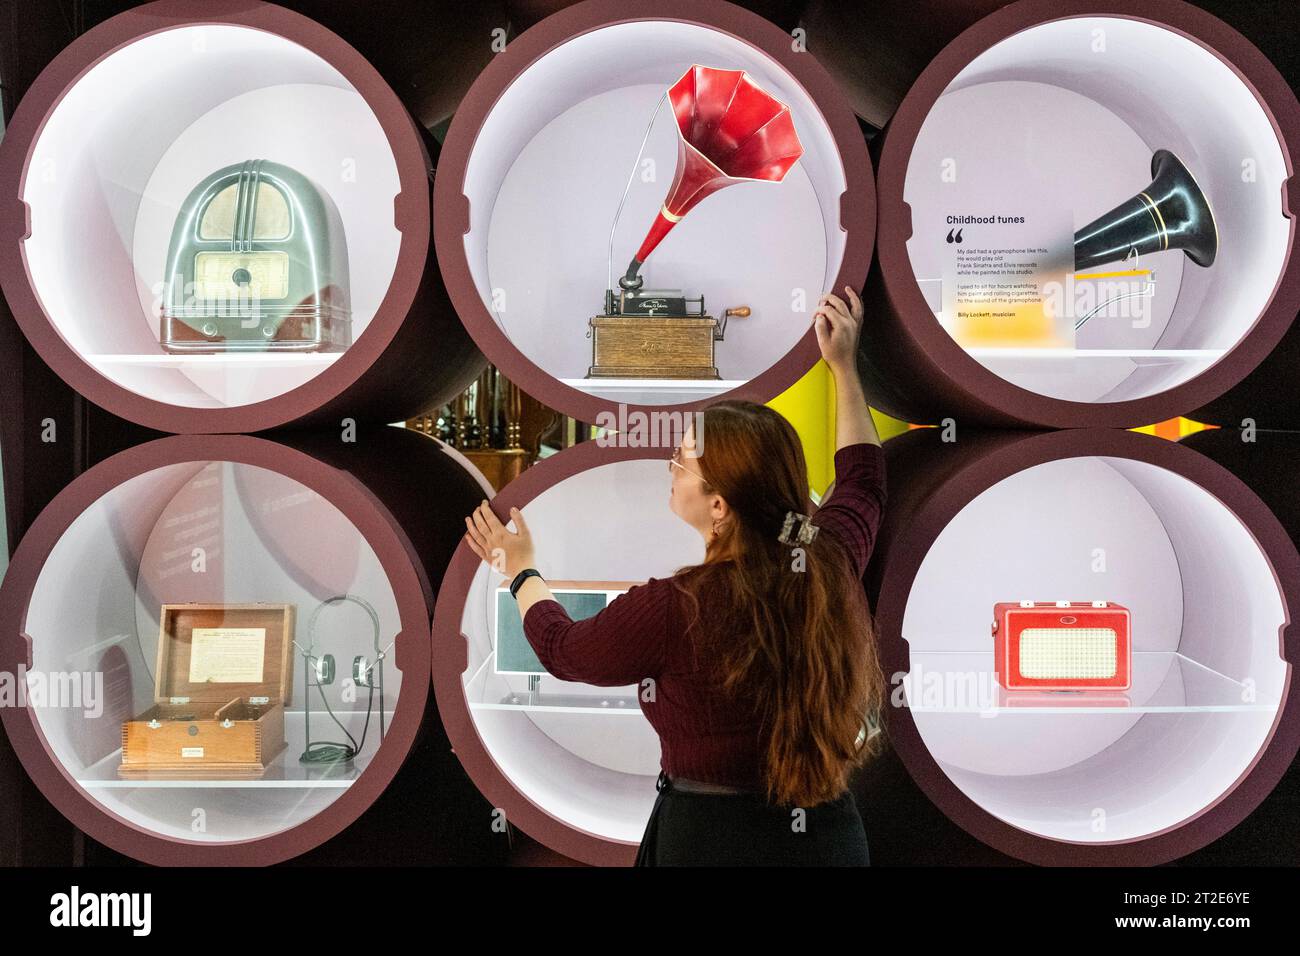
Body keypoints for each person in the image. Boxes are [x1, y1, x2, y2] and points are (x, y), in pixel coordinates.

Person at [462, 286, 886, 866]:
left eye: (682, 460)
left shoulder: (674, 608)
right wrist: (843, 366)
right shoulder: (828, 559)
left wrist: (520, 570)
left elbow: (565, 651)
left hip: (710, 841)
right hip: (831, 839)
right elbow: (862, 482)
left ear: (719, 506)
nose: (671, 467)